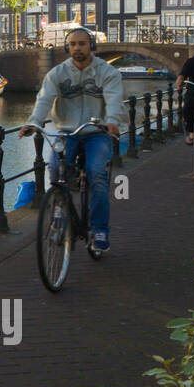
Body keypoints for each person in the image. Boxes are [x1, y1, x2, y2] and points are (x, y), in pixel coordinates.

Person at [18, 27, 125, 253]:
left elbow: (114, 99)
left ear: (91, 46)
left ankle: (99, 230)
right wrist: (33, 122)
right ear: (68, 47)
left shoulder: (107, 72)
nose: (77, 48)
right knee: (56, 170)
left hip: (97, 131)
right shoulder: (57, 74)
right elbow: (44, 99)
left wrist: (112, 121)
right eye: (73, 44)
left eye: (82, 43)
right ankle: (58, 214)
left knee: (96, 173)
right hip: (67, 132)